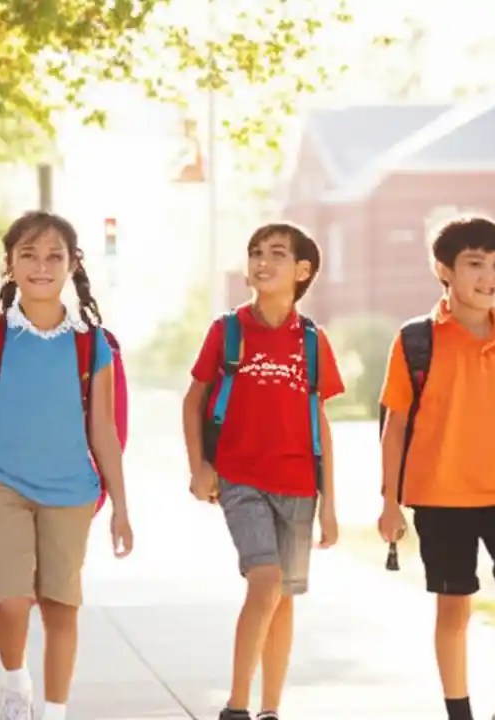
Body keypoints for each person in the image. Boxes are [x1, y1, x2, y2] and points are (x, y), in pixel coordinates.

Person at [0, 211, 134, 720]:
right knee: (10, 602)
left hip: (71, 490)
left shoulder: (91, 343)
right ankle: (16, 684)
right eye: (28, 255)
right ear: (9, 265)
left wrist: (120, 507)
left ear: (73, 264)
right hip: (1, 485)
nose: (41, 266)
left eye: (54, 256)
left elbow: (104, 431)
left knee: (60, 607)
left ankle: (54, 712)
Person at [377, 215, 495, 720]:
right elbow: (396, 426)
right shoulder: (417, 340)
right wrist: (390, 503)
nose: (489, 277)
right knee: (454, 610)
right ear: (444, 269)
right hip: (441, 495)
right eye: (475, 264)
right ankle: (459, 714)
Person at [182, 222, 344, 720]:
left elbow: (320, 420)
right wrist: (199, 466)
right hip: (240, 478)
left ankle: (271, 709)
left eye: (276, 254)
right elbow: (194, 401)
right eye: (255, 252)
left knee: (284, 598)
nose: (262, 261)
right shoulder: (227, 330)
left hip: (298, 484)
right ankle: (236, 705)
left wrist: (331, 506)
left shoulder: (312, 341)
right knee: (265, 579)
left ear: (302, 271)